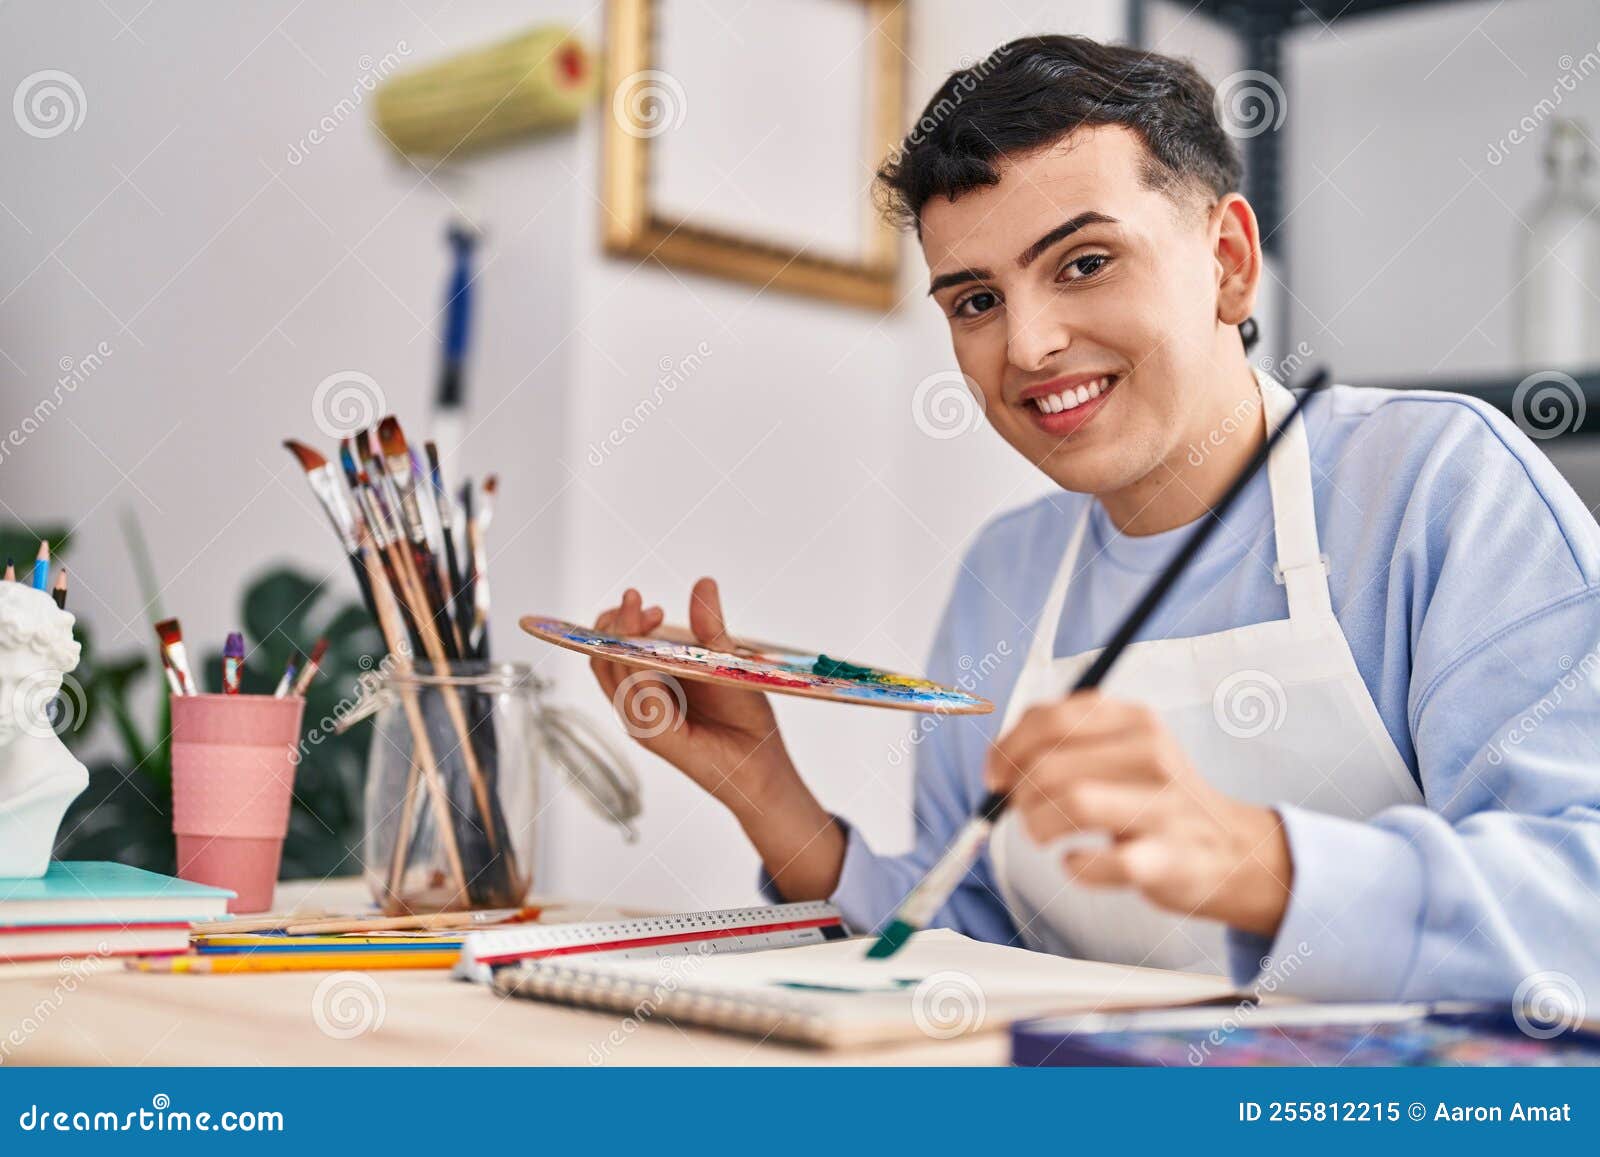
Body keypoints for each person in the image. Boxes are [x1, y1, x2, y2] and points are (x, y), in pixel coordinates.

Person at [590, 35, 1600, 1004]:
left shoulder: (1435, 485)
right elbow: (963, 943)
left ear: (1228, 261)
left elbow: (1580, 907)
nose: (1027, 346)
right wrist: (766, 791)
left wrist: (1258, 861)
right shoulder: (1006, 572)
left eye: (1083, 263)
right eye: (975, 300)